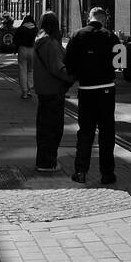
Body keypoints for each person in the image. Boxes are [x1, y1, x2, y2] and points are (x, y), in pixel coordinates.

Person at [65, 7, 120, 185]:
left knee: (86, 131)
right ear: (104, 19)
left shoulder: (77, 35)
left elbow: (69, 64)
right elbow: (122, 64)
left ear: (89, 18)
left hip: (87, 89)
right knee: (107, 132)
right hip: (107, 89)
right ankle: (107, 174)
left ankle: (80, 171)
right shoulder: (112, 37)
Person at [33, 12, 74, 172]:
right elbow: (59, 69)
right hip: (53, 91)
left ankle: (43, 161)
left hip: (43, 90)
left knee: (43, 129)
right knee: (53, 129)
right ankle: (48, 163)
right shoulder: (50, 43)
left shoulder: (40, 40)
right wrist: (73, 75)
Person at [13, 13, 38, 99]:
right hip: (32, 50)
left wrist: (16, 48)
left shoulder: (21, 28)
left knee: (22, 70)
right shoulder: (35, 29)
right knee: (30, 70)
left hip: (22, 49)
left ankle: (24, 91)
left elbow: (15, 39)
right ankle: (30, 89)